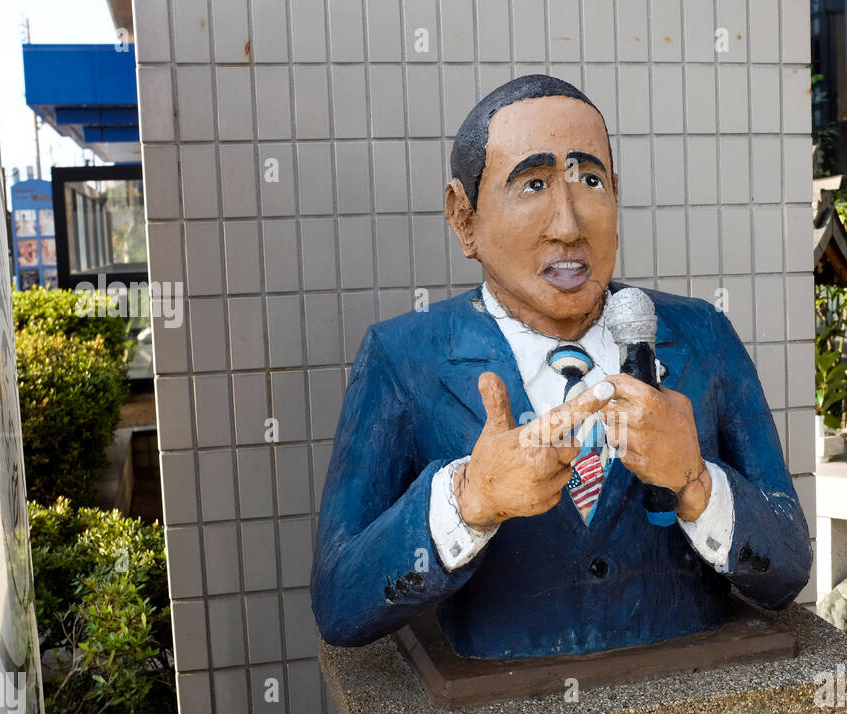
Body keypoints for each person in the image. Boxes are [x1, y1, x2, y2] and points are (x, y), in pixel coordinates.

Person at [312, 75, 812, 659]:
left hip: (689, 694)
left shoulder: (703, 336)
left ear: (617, 196)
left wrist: (697, 484)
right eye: (532, 184)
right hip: (499, 711)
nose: (569, 226)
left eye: (590, 180)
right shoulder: (403, 358)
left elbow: (788, 568)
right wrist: (469, 500)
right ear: (463, 217)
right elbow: (340, 602)